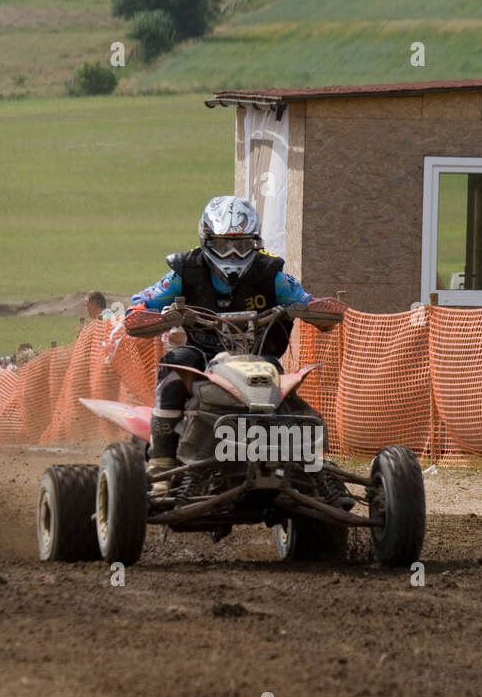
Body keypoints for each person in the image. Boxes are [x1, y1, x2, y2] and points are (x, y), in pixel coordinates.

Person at [128, 195, 351, 504]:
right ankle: (161, 466)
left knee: (289, 398)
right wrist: (144, 313)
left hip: (259, 359)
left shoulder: (271, 273)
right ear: (207, 240)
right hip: (202, 361)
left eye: (242, 245)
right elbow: (142, 301)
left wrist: (318, 310)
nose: (232, 254)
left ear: (255, 243)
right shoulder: (185, 270)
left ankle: (313, 469)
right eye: (223, 245)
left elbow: (306, 300)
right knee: (176, 365)